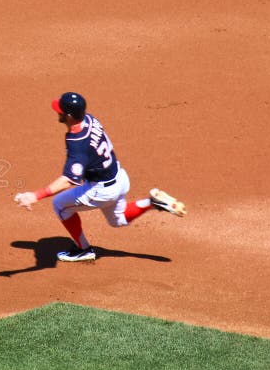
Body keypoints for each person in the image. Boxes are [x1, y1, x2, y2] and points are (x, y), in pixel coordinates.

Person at [13, 92, 186, 262]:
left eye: (61, 111)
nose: (57, 112)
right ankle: (152, 203)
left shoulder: (77, 144)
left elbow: (68, 180)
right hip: (119, 176)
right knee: (118, 220)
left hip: (102, 190)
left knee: (59, 205)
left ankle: (83, 250)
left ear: (69, 116)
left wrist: (35, 195)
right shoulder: (90, 119)